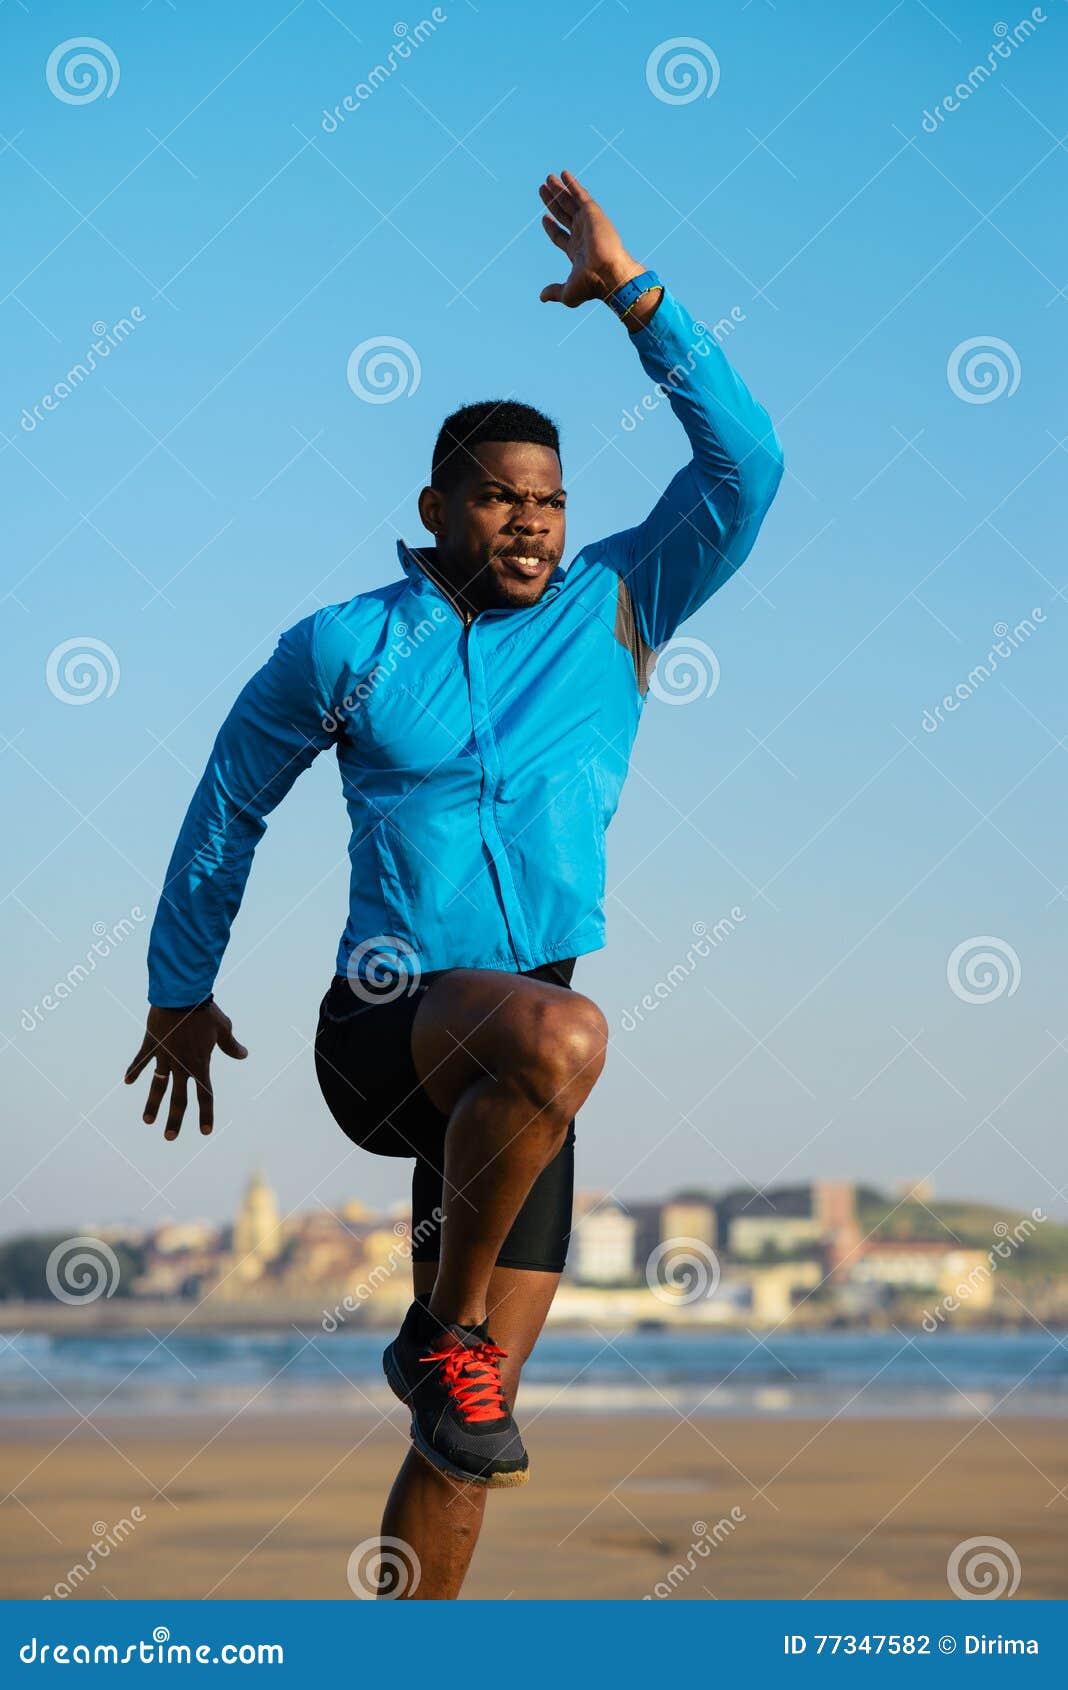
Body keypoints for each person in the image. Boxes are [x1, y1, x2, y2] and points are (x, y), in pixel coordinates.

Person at [125, 170, 783, 1599]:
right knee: (571, 1039)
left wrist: (634, 297)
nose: (534, 522)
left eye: (551, 499)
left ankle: (406, 1624)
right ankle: (441, 1331)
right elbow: (230, 801)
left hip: (520, 1093)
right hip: (388, 1025)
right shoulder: (348, 642)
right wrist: (182, 986)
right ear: (435, 501)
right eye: (501, 497)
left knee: (467, 1437)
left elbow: (749, 465)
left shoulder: (620, 606)